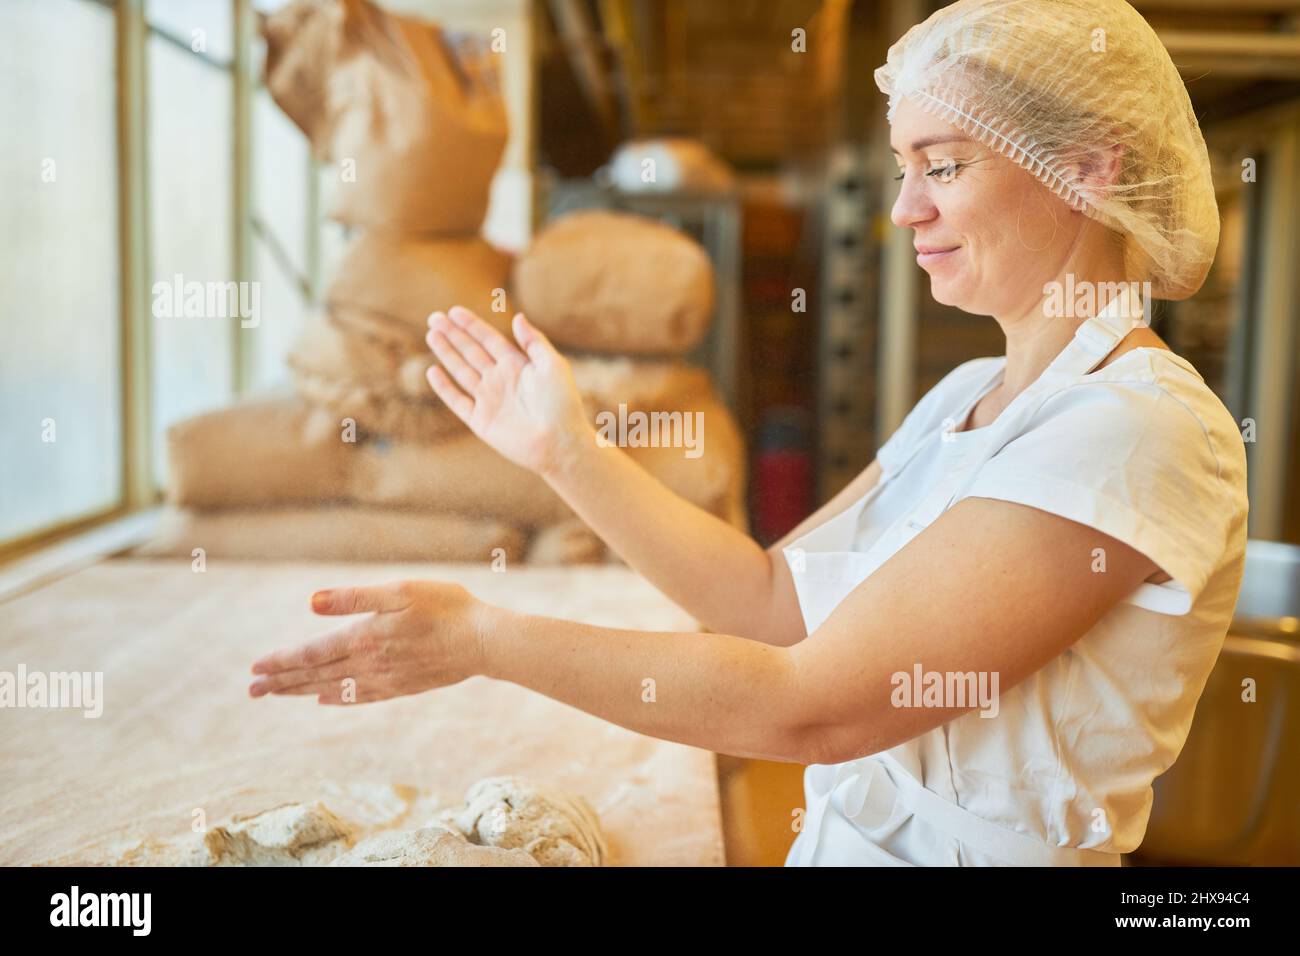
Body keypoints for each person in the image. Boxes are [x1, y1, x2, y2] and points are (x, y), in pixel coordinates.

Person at [250, 0, 1248, 866]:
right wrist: (568, 453)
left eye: (943, 165)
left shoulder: (1134, 431)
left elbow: (809, 703)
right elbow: (768, 599)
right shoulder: (965, 391)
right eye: (904, 167)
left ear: (1085, 166)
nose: (904, 209)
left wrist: (484, 637)